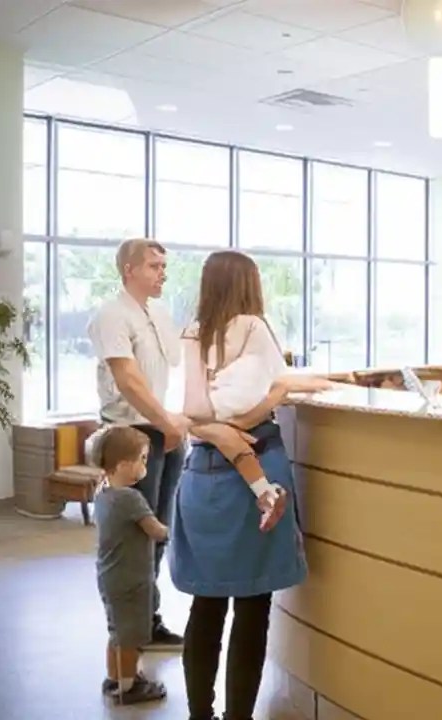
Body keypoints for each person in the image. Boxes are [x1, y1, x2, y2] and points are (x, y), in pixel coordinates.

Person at [170, 251, 334, 720]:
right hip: (254, 470)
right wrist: (281, 394)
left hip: (201, 477)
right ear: (249, 284)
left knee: (206, 605)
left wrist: (215, 430)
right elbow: (255, 405)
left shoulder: (193, 334)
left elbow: (194, 413)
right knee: (252, 607)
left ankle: (199, 714)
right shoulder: (255, 327)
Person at [87, 238, 190, 648]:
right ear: (128, 269)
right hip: (130, 434)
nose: (162, 273)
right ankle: (126, 631)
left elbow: (177, 359)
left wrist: (170, 426)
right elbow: (129, 381)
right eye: (153, 266)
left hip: (162, 432)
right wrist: (168, 423)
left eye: (164, 266)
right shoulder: (111, 316)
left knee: (157, 534)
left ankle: (147, 620)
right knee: (132, 540)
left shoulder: (159, 314)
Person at [88, 426, 170, 706]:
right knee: (131, 637)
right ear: (124, 465)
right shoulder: (130, 498)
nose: (146, 465)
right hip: (131, 578)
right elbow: (156, 531)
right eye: (142, 459)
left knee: (117, 632)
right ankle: (128, 686)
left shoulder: (102, 490)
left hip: (110, 575)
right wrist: (176, 532)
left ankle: (115, 679)